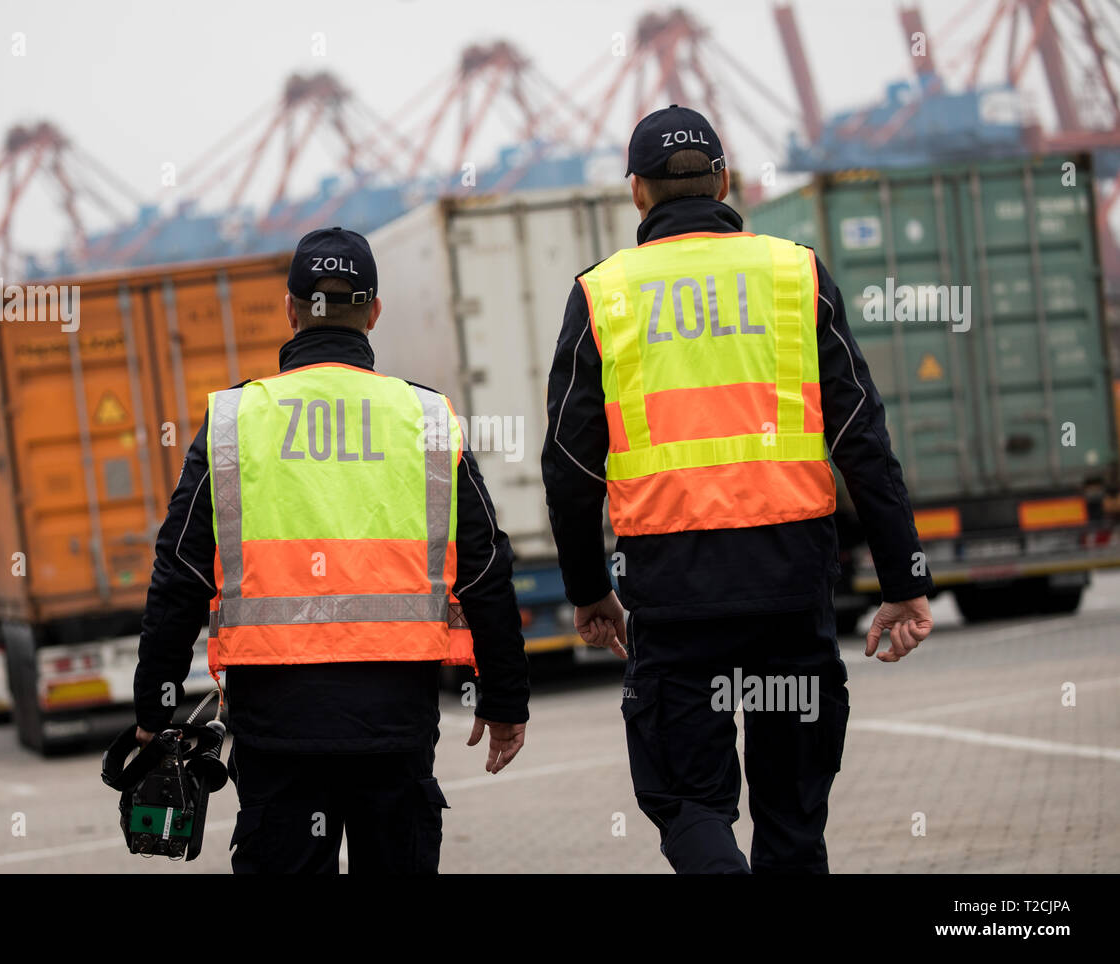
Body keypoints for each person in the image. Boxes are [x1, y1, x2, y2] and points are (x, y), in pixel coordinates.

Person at [541, 106, 934, 874]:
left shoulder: (603, 295)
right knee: (791, 814)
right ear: (725, 179)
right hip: (789, 589)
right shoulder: (796, 274)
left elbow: (568, 464)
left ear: (637, 194)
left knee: (691, 803)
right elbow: (863, 439)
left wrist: (590, 591)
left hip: (675, 599)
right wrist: (903, 578)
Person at [134, 226, 529, 874]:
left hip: (277, 726)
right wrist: (504, 697)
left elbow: (177, 570)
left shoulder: (236, 422)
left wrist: (156, 704)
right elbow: (486, 565)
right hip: (393, 726)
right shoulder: (425, 418)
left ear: (290, 308)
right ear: (373, 312)